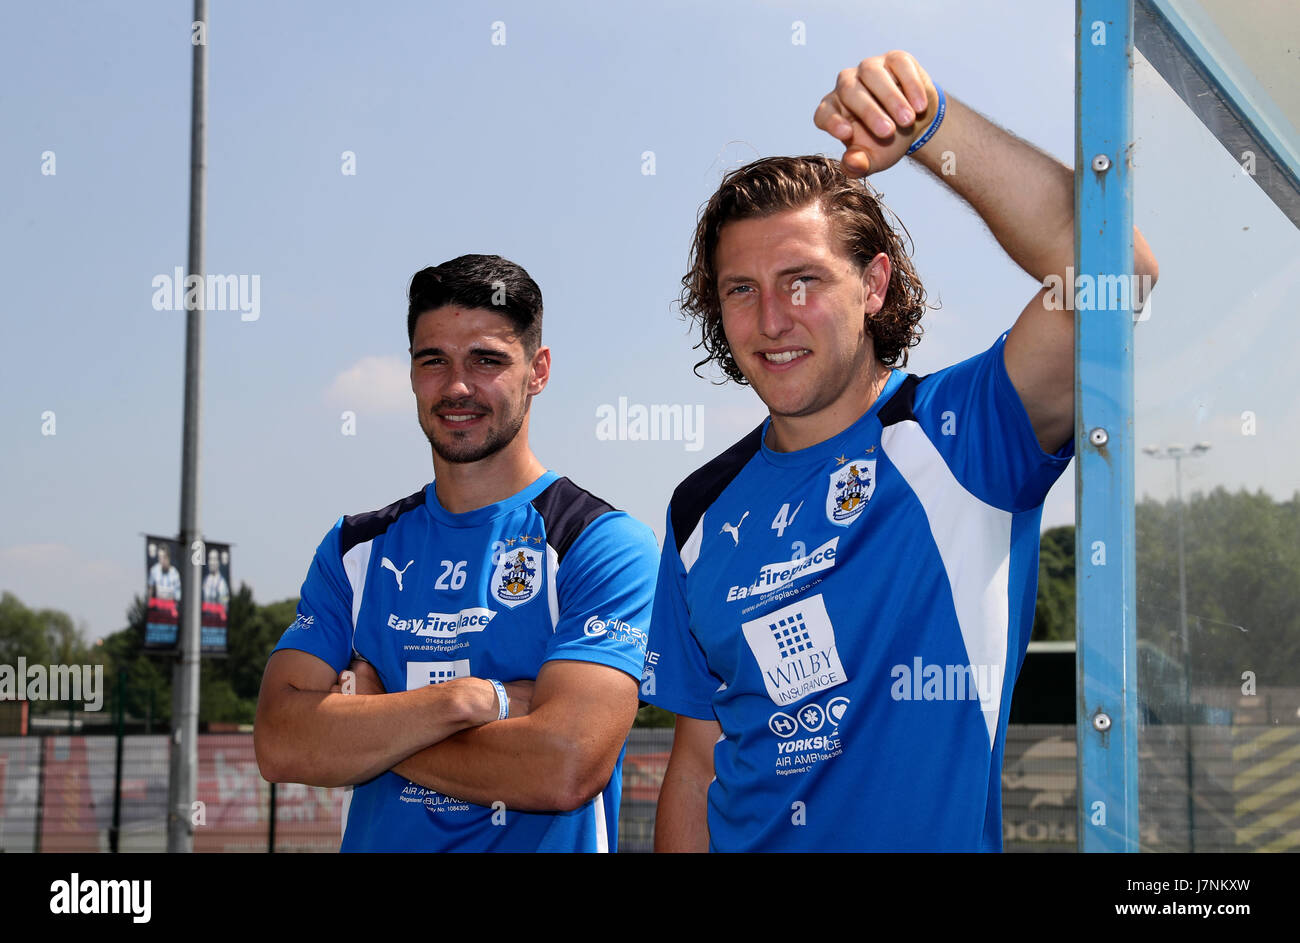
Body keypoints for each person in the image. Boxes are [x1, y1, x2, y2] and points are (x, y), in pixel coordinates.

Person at [645, 50, 1157, 851]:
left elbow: (1114, 273)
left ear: (874, 285)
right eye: (741, 289)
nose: (772, 318)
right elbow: (699, 759)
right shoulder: (698, 507)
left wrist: (932, 129)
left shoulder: (963, 432)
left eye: (802, 279)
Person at [254, 254, 658, 852]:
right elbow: (281, 742)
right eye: (433, 360)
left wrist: (375, 723)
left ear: (538, 370)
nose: (457, 386)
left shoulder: (600, 544)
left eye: (487, 360)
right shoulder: (355, 549)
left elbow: (564, 766)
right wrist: (470, 700)